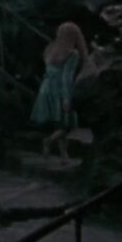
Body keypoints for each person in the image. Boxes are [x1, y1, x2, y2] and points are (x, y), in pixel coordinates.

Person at [31, 21, 89, 157]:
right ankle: (48, 141)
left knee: (59, 124)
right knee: (67, 125)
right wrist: (67, 98)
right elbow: (66, 77)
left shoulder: (50, 49)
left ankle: (64, 155)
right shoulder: (72, 53)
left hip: (46, 88)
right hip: (59, 90)